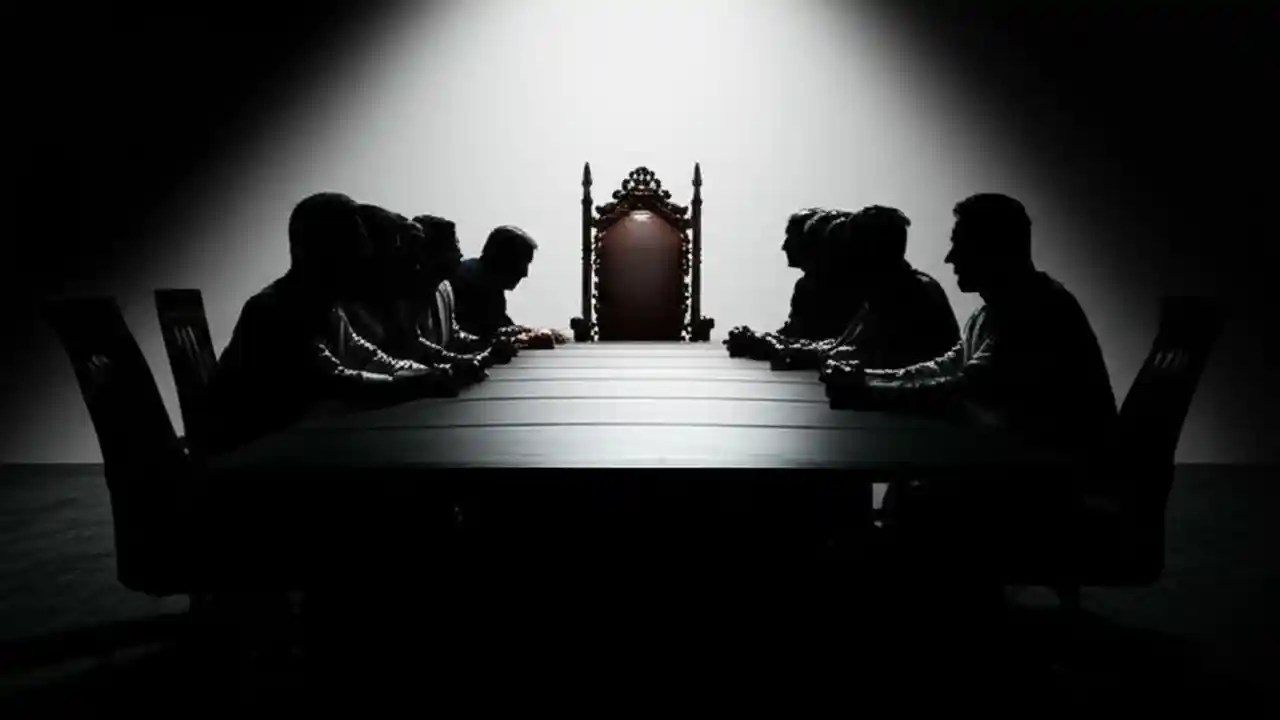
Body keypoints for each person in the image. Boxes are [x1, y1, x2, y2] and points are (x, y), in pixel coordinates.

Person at [203, 193, 457, 453]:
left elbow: (370, 359)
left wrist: (429, 373)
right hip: (244, 464)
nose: (366, 251)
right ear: (320, 250)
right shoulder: (275, 309)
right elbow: (338, 383)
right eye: (355, 240)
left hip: (287, 449)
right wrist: (419, 383)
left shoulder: (329, 308)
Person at [773, 205, 959, 371]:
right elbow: (843, 346)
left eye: (849, 249)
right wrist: (802, 352)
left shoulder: (914, 295)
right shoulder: (880, 293)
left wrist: (808, 354)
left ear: (870, 253)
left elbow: (891, 360)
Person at [412, 214, 517, 363]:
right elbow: (413, 346)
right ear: (431, 251)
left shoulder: (444, 289)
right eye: (452, 246)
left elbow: (454, 335)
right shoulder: (409, 293)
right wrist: (470, 358)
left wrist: (487, 345)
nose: (460, 254)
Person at [452, 224, 565, 347]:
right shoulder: (475, 286)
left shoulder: (483, 279)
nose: (525, 273)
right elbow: (481, 337)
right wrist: (525, 339)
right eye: (522, 263)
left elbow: (501, 327)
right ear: (504, 259)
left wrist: (530, 332)